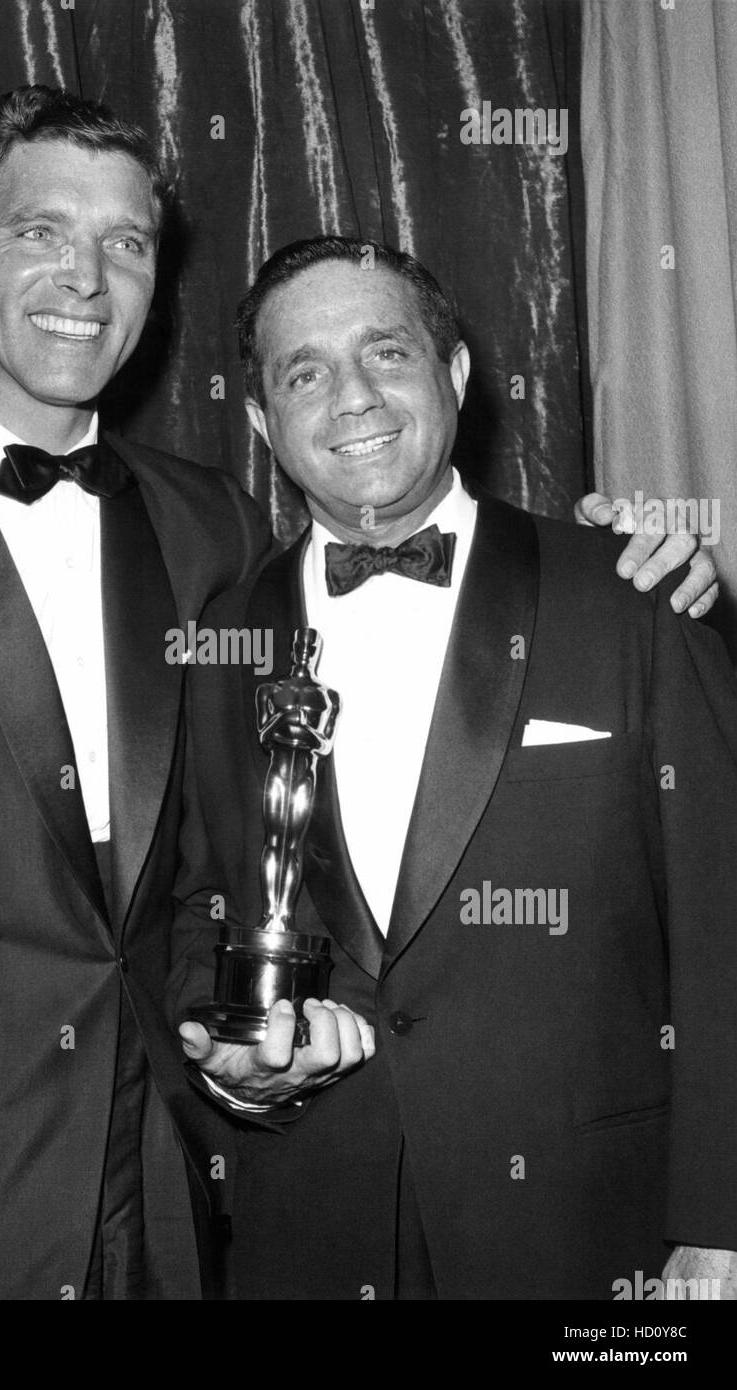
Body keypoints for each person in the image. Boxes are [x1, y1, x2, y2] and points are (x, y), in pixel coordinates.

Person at [0, 83, 714, 1302]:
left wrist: (656, 559)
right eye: (40, 232)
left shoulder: (207, 527)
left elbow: (214, 873)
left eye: (123, 243)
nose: (84, 277)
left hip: (196, 1193)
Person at [172, 237, 737, 1300]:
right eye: (303, 371)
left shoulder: (629, 598)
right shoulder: (215, 643)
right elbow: (187, 913)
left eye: (384, 352)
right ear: (261, 423)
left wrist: (722, 1230)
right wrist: (237, 1072)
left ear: (457, 374)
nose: (350, 398)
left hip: (595, 1242)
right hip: (310, 1235)